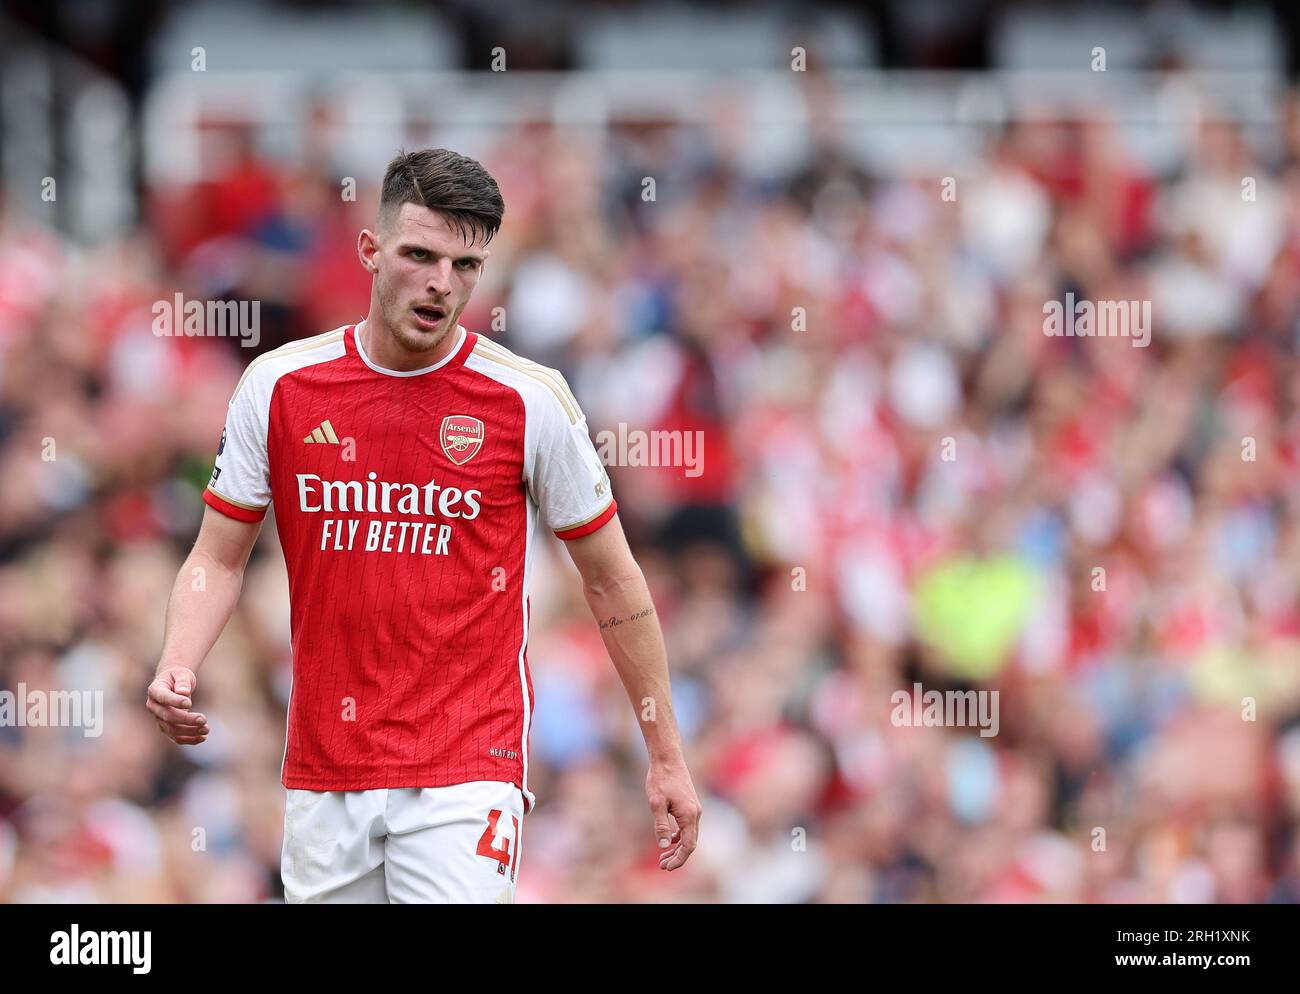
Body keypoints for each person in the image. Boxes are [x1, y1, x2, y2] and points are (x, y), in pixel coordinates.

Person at [145, 148, 701, 903]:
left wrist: (665, 754)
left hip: (465, 771)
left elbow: (612, 579)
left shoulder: (529, 400)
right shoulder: (278, 387)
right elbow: (217, 556)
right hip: (324, 771)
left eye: (466, 265)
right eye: (421, 255)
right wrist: (180, 659)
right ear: (371, 252)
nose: (443, 283)